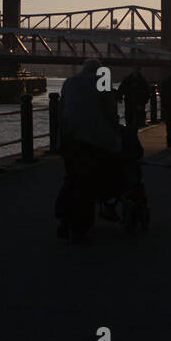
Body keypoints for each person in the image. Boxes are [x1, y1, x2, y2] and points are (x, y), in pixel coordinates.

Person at [56, 59, 122, 242]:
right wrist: (116, 132)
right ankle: (105, 207)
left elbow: (61, 111)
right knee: (101, 172)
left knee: (72, 176)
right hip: (93, 140)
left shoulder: (69, 82)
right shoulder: (102, 82)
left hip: (69, 139)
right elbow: (111, 112)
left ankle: (64, 217)